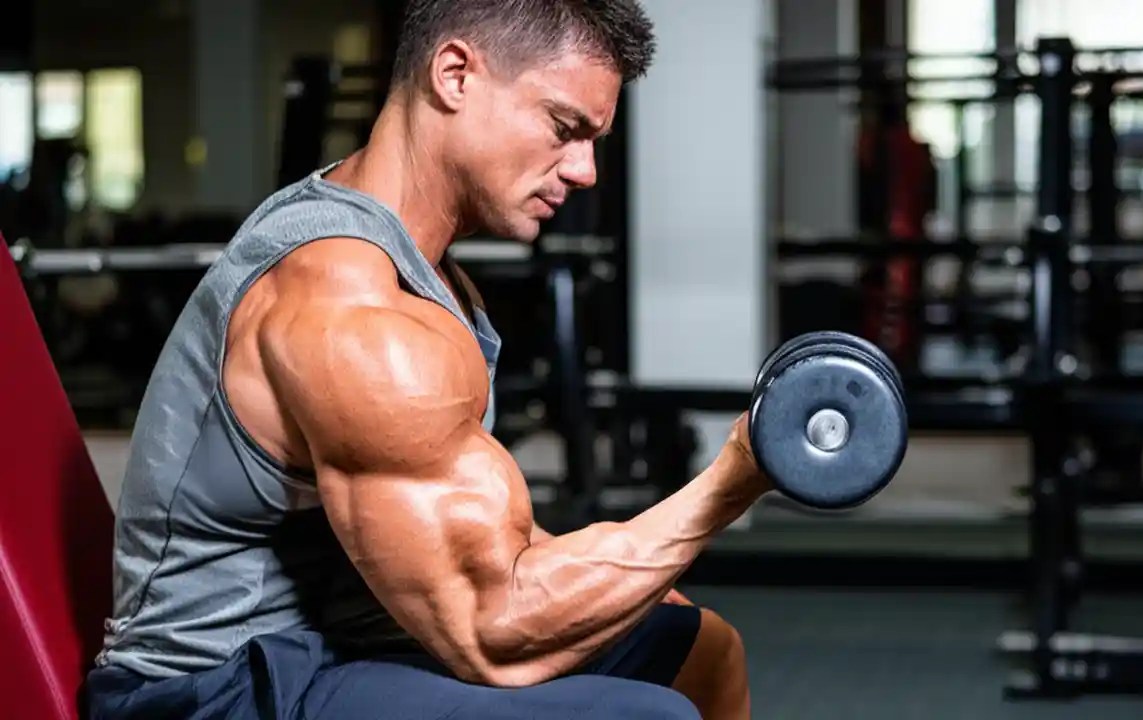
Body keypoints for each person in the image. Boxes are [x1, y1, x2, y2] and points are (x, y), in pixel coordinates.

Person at [84, 2, 769, 718]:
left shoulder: (426, 272)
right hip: (216, 686)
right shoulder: (350, 310)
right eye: (565, 129)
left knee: (699, 648)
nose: (586, 170)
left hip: (345, 638)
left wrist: (631, 582)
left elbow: (484, 533)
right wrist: (732, 481)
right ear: (455, 75)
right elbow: (492, 631)